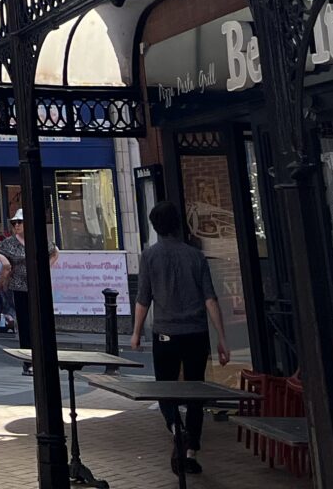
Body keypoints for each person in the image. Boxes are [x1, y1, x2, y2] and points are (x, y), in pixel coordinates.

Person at [130, 202, 232, 475]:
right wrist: (222, 338)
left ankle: (177, 427)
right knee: (196, 390)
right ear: (178, 224)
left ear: (155, 226)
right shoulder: (195, 256)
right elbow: (210, 299)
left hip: (165, 332)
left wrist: (136, 332)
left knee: (166, 388)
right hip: (196, 332)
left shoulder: (149, 256)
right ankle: (191, 451)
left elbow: (143, 298)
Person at [0, 209, 56, 346]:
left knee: (39, 317)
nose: (16, 225)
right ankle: (26, 349)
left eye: (20, 222)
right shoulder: (10, 242)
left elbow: (54, 252)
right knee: (23, 319)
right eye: (14, 223)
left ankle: (39, 346)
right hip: (19, 286)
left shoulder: (37, 238)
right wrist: (3, 262)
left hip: (36, 285)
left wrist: (43, 270)